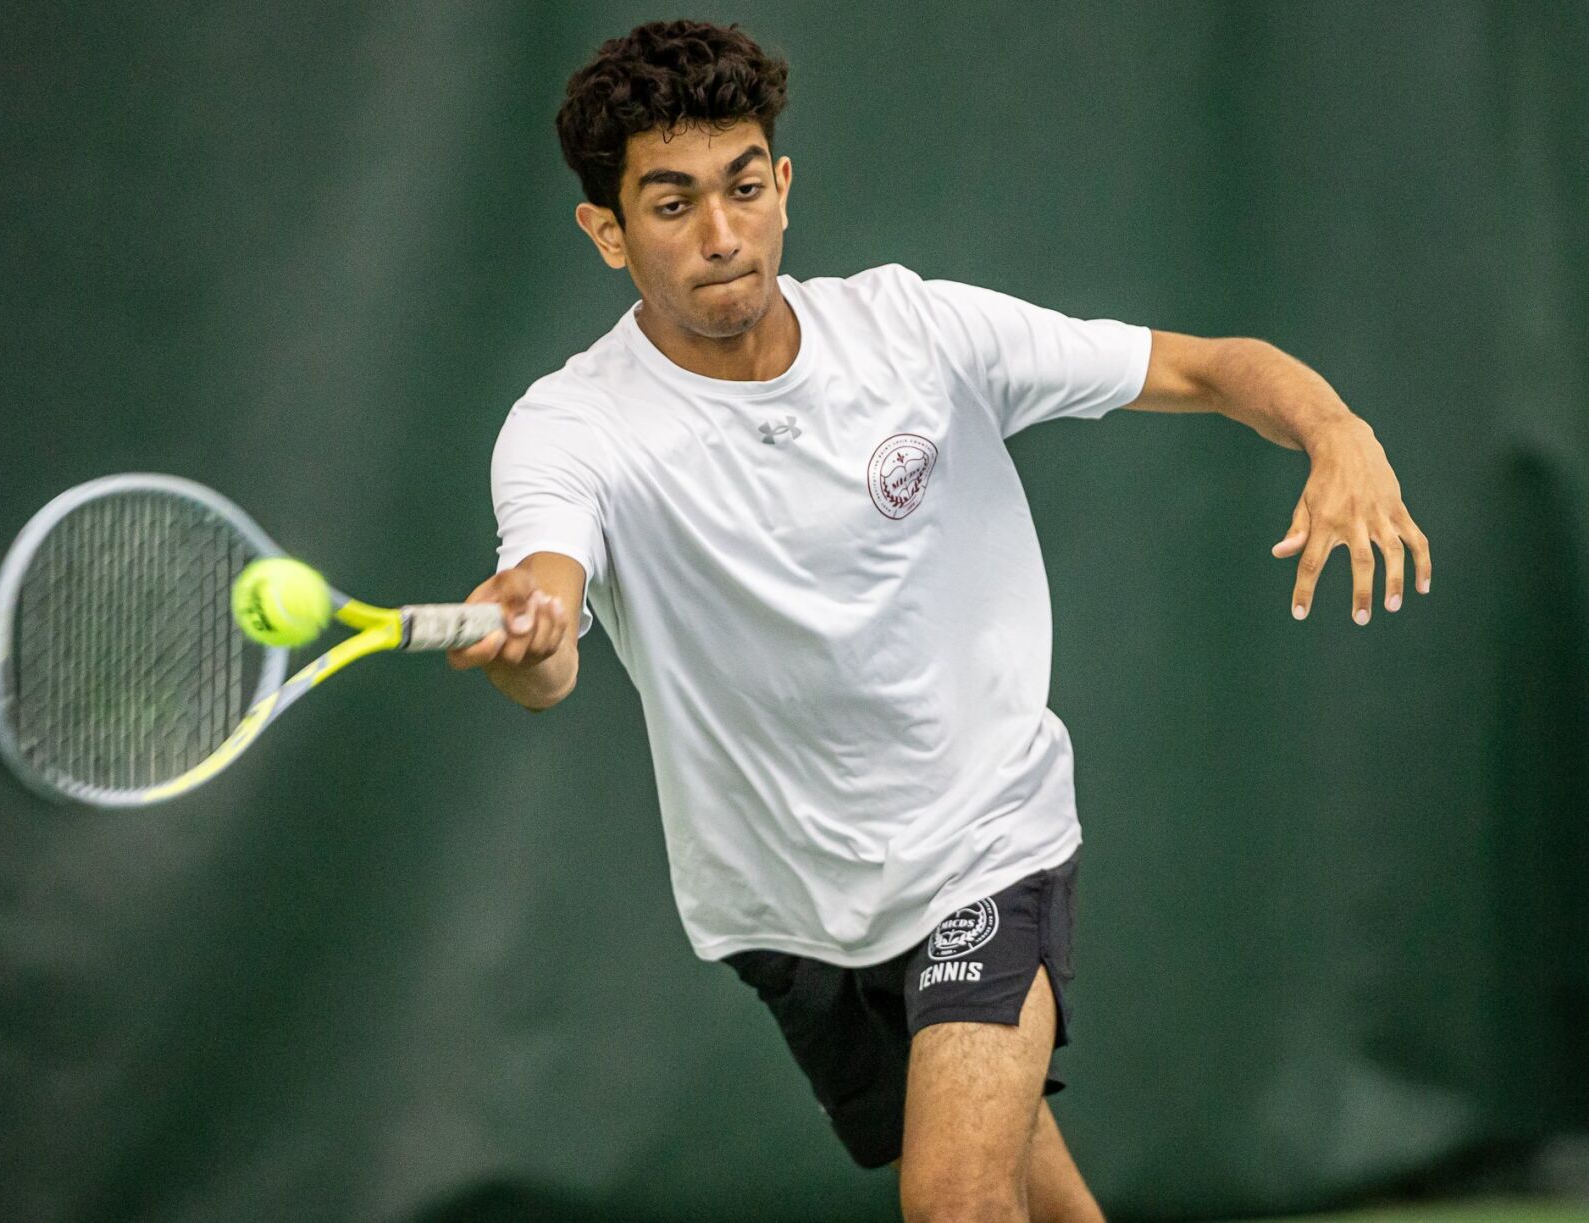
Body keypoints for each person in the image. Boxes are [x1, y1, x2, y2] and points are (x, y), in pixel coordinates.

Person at [449, 19, 1431, 1223]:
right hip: (780, 896)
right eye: (671, 203)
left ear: (781, 185)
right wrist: (532, 635)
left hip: (983, 832)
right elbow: (545, 624)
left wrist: (1336, 432)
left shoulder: (916, 334)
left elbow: (1205, 365)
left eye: (743, 187)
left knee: (954, 1200)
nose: (721, 234)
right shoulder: (568, 427)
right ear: (606, 230)